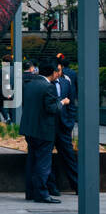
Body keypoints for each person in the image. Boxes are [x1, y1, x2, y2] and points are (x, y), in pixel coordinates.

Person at [19, 57, 64, 203]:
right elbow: (51, 108)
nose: (58, 73)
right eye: (57, 71)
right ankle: (42, 194)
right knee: (43, 163)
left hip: (30, 129)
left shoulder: (31, 84)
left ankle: (30, 192)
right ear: (52, 72)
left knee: (32, 160)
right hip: (43, 130)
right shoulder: (48, 87)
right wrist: (62, 102)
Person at [52, 61, 79, 195]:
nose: (58, 72)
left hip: (64, 126)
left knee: (69, 156)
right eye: (56, 70)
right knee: (46, 158)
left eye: (60, 70)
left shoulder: (66, 83)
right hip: (48, 127)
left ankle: (78, 185)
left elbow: (72, 103)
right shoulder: (45, 84)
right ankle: (52, 188)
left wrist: (70, 122)